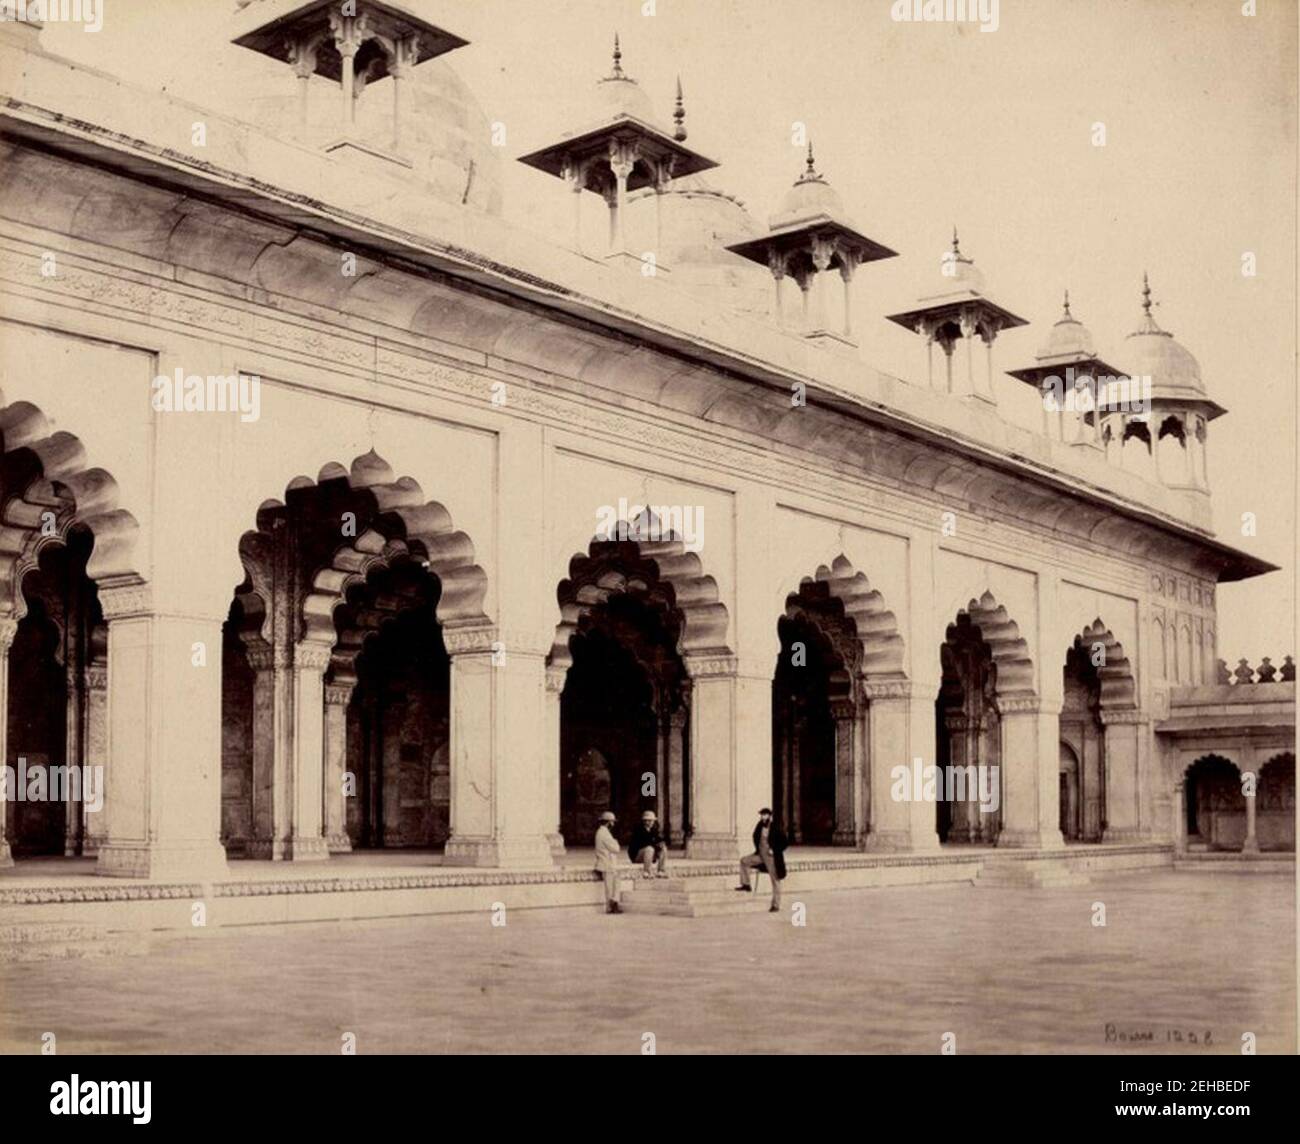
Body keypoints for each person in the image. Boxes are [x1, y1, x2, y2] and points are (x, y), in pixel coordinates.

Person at [735, 807, 788, 912]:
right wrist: (757, 849)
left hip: (771, 857)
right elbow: (755, 836)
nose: (763, 817)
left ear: (769, 816)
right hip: (760, 855)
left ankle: (776, 905)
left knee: (775, 880)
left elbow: (785, 842)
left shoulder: (775, 827)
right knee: (744, 861)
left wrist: (774, 850)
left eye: (765, 815)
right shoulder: (760, 825)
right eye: (762, 815)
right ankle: (746, 884)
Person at [594, 811, 623, 914]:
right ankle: (611, 907)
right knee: (610, 887)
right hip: (607, 864)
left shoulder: (601, 832)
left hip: (607, 863)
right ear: (608, 822)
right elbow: (616, 849)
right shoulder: (604, 834)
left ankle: (612, 905)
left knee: (611, 886)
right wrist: (615, 841)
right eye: (612, 822)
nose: (613, 824)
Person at [628, 810, 668, 878]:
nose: (651, 822)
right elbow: (644, 843)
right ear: (645, 821)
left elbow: (658, 839)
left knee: (663, 848)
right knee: (649, 849)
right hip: (638, 855)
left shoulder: (653, 829)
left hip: (650, 855)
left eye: (652, 821)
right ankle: (647, 872)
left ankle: (661, 871)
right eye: (649, 821)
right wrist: (656, 845)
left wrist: (661, 844)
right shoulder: (638, 830)